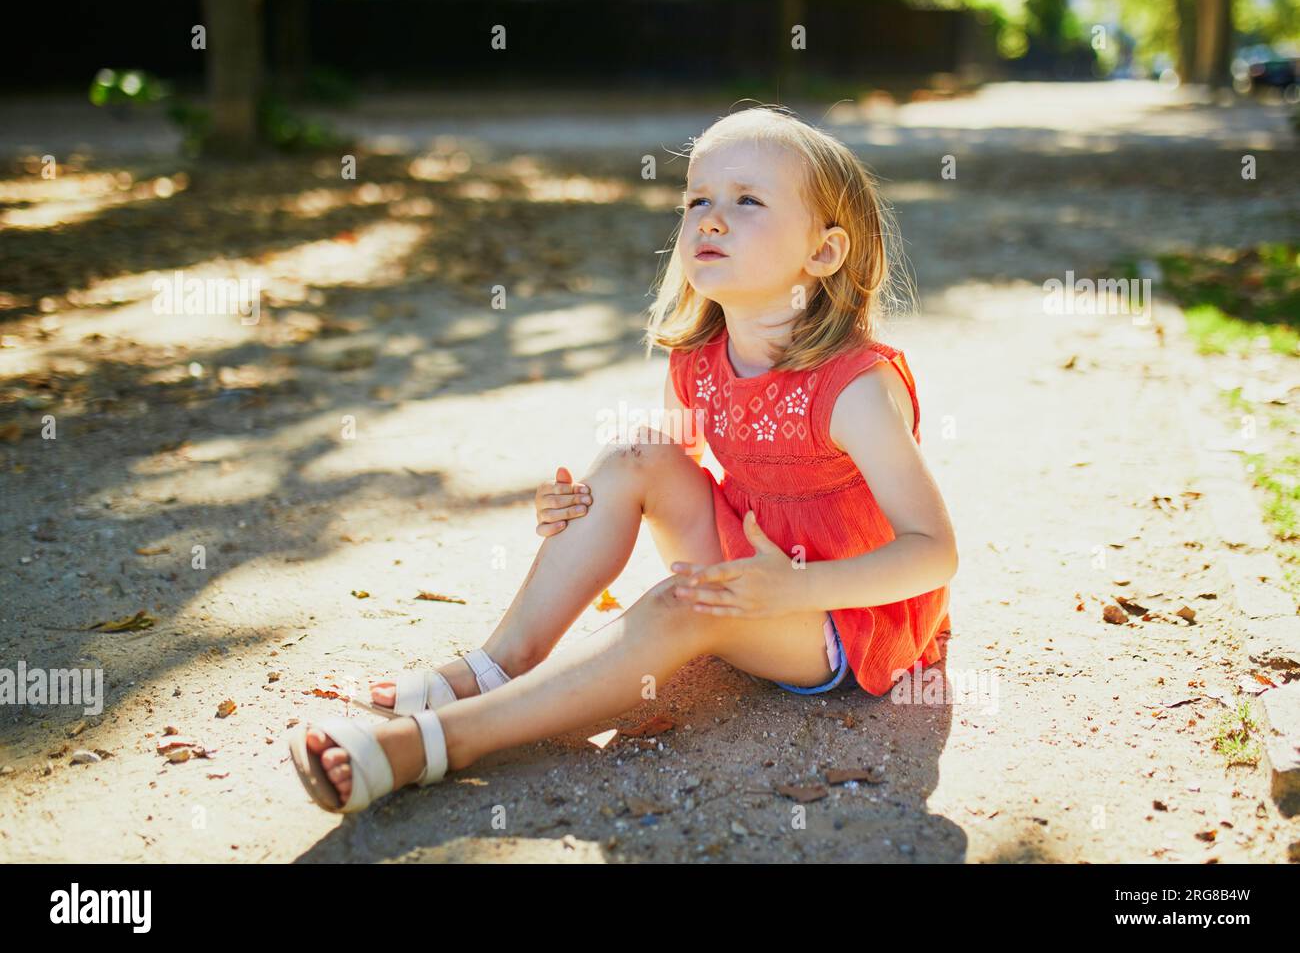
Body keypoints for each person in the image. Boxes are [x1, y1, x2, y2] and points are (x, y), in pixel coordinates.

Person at [290, 105, 957, 813]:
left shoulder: (854, 388)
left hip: (845, 618)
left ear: (822, 253)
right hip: (758, 567)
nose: (710, 219)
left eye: (747, 201)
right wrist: (580, 507)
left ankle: (442, 742)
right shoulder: (699, 359)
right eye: (697, 200)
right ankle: (497, 664)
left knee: (683, 603)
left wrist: (791, 589)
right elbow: (672, 469)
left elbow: (934, 553)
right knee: (637, 453)